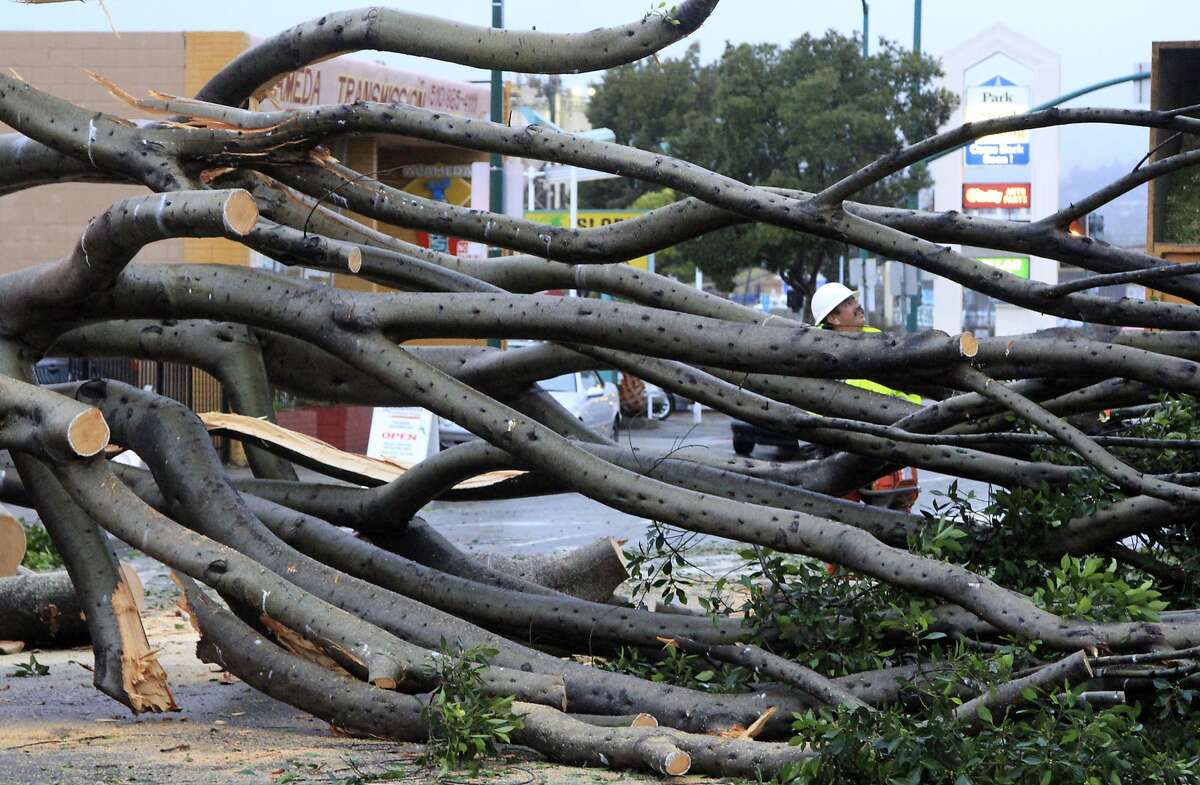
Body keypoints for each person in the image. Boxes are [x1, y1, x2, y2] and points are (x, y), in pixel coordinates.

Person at [810, 282, 920, 512]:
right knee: (843, 515)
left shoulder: (883, 343)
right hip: (840, 451)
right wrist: (815, 451)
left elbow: (909, 389)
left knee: (895, 511)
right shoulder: (818, 355)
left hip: (886, 445)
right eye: (848, 303)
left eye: (854, 300)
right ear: (833, 318)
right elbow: (809, 402)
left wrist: (908, 422)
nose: (857, 306)